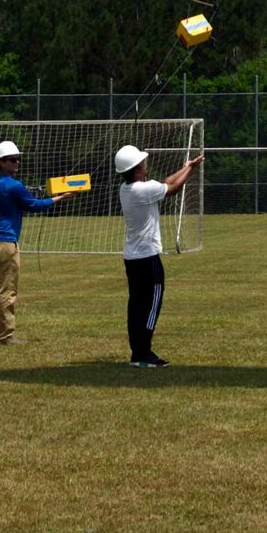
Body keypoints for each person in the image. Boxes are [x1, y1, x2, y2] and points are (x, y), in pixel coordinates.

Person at [116, 142, 204, 367]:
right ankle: (143, 354)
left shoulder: (126, 189)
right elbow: (173, 188)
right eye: (142, 163)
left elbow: (165, 182)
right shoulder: (143, 190)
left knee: (136, 305)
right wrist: (191, 169)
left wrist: (187, 166)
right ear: (137, 168)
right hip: (148, 257)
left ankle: (138, 352)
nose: (146, 165)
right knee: (152, 304)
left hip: (132, 257)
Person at [0, 139, 66, 345]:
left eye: (18, 159)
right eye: (12, 159)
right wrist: (59, 198)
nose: (17, 162)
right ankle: (5, 336)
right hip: (5, 242)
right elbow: (34, 205)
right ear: (1, 162)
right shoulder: (14, 185)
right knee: (6, 289)